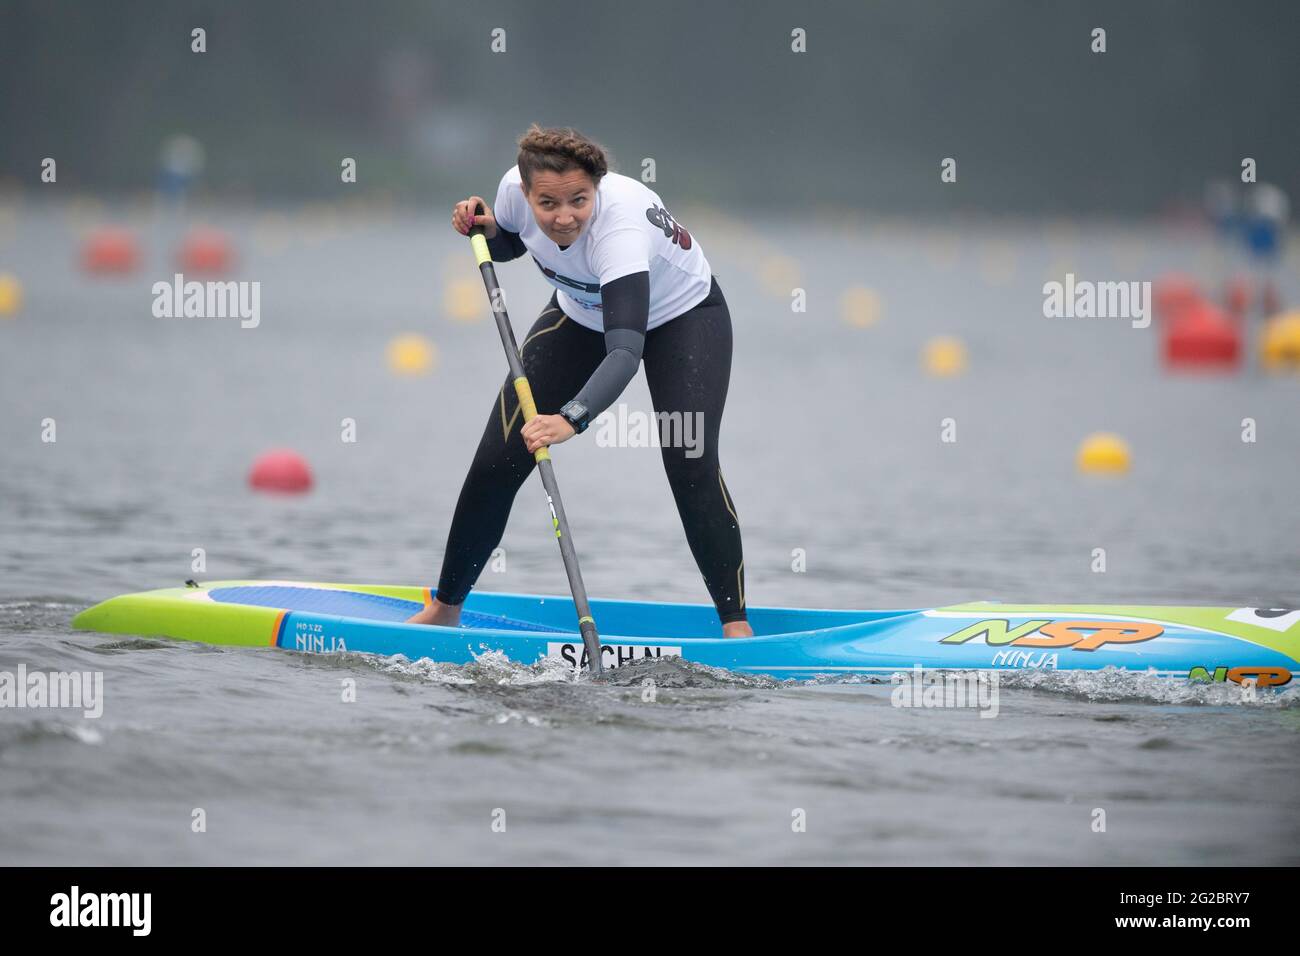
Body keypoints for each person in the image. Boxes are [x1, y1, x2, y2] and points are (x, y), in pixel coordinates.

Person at [407, 124, 752, 637]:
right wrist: (485, 229)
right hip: (582, 314)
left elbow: (625, 352)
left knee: (689, 464)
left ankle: (735, 627)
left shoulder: (620, 231)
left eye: (579, 201)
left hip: (683, 319)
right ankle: (447, 607)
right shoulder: (512, 192)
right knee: (498, 457)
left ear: (598, 187)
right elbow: (512, 244)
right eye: (548, 203)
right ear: (525, 194)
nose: (564, 217)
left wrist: (571, 419)